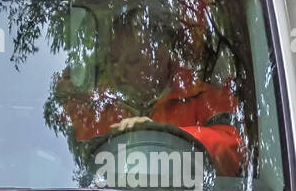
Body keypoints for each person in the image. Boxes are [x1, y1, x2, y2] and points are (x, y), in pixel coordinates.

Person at [54, 11, 245, 174]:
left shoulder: (203, 97)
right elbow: (63, 153)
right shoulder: (98, 104)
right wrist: (64, 100)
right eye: (113, 61)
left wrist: (162, 136)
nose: (119, 73)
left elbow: (234, 150)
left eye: (132, 61)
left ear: (161, 57)